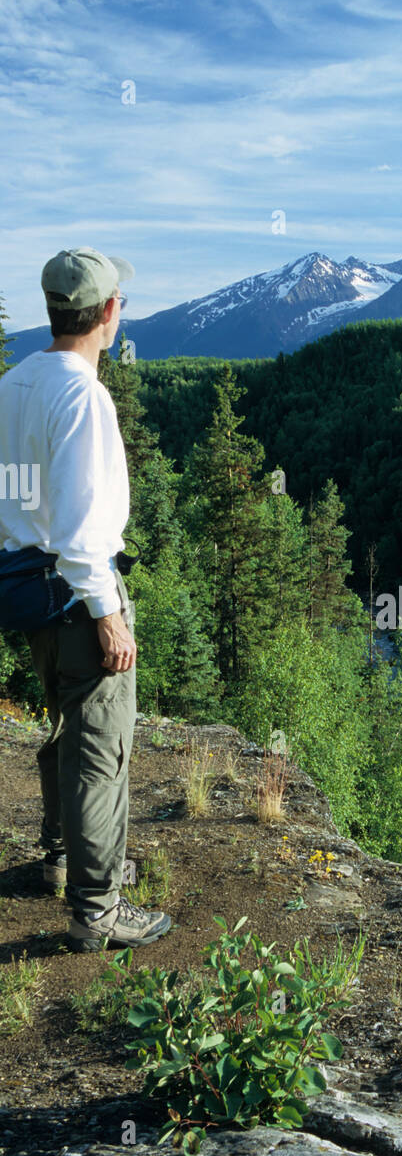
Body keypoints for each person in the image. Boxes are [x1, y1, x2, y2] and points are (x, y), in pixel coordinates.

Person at [0, 247, 172, 951]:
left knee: (66, 732)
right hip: (74, 592)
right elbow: (78, 529)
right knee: (101, 746)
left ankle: (62, 857)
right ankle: (97, 909)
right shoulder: (84, 396)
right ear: (108, 313)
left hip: (25, 588)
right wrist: (107, 613)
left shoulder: (14, 384)